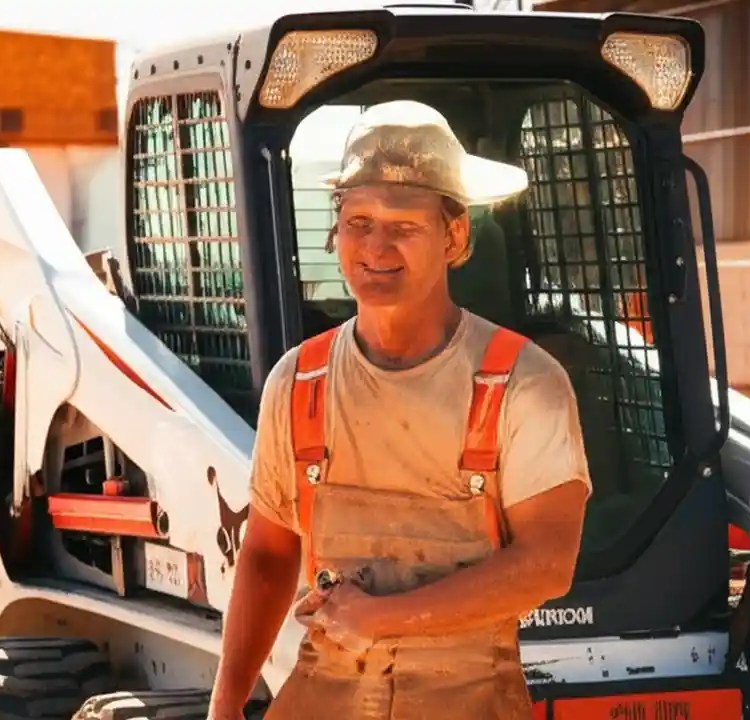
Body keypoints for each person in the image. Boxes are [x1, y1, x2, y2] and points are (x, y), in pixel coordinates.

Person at [207, 100, 591, 720]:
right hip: (324, 694)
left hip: (468, 701)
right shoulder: (300, 381)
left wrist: (380, 618)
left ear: (455, 235)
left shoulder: (521, 383)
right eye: (358, 221)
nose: (375, 246)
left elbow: (545, 565)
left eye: (403, 226)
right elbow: (269, 553)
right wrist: (224, 709)